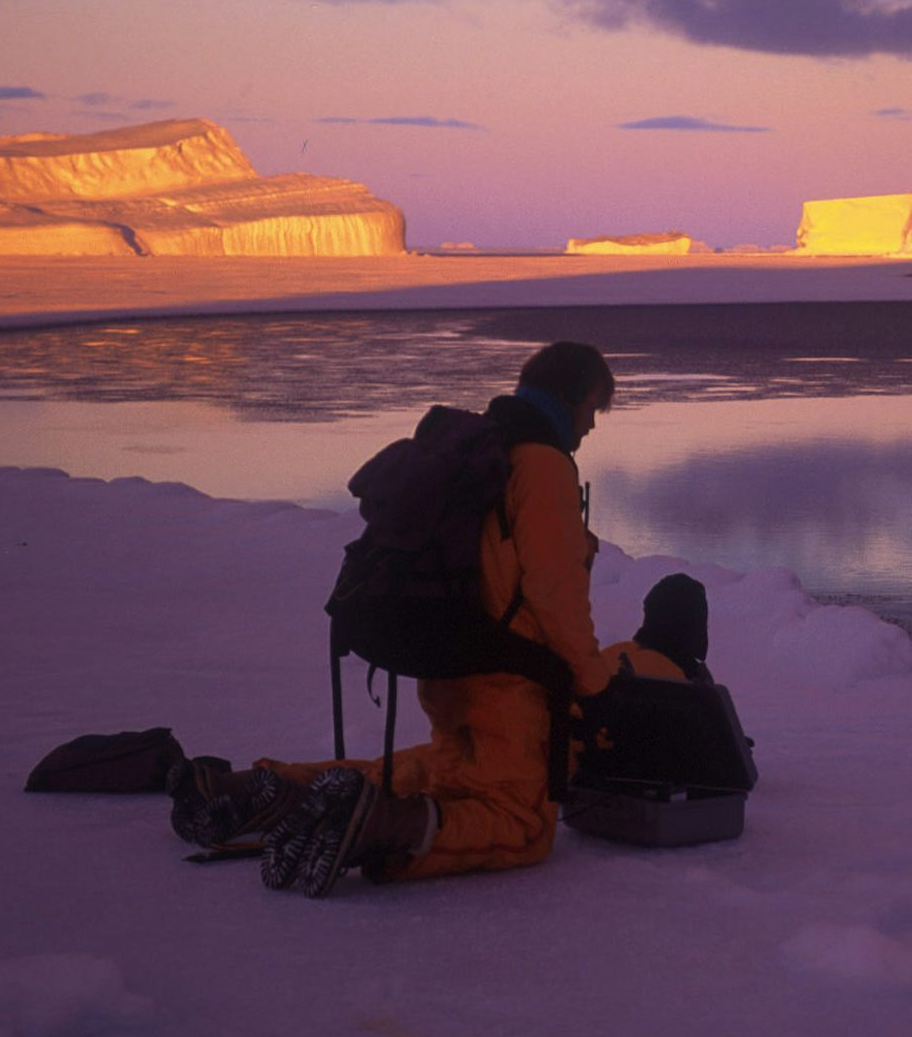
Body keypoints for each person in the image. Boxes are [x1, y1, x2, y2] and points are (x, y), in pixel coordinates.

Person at [170, 341, 617, 897]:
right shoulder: (544, 466)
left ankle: (261, 788)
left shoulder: (483, 451)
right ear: (571, 398)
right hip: (508, 681)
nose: (592, 428)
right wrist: (593, 684)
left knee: (443, 774)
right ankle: (384, 827)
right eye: (594, 411)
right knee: (522, 822)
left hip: (448, 660)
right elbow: (555, 592)